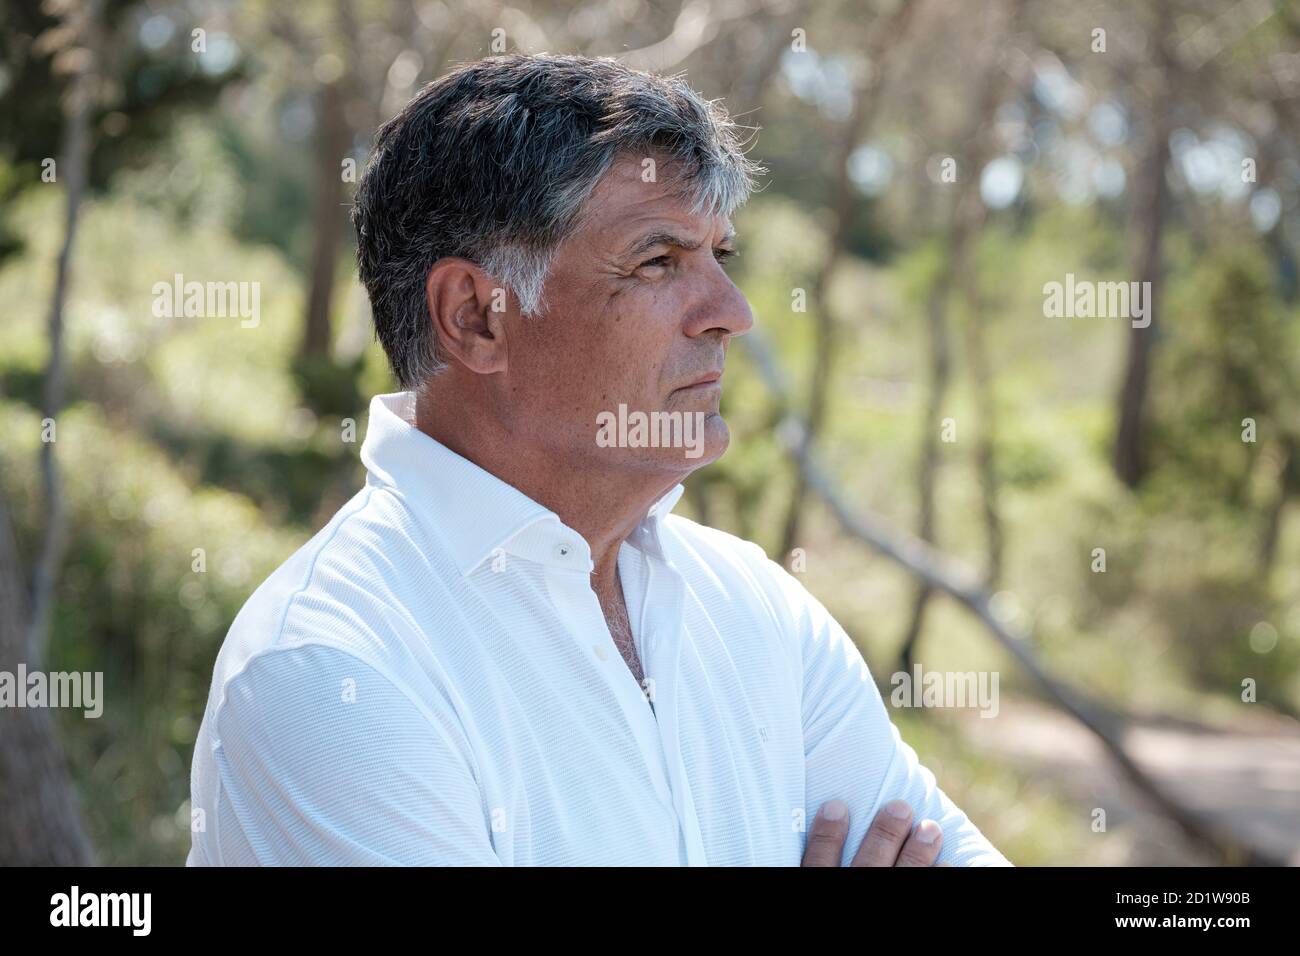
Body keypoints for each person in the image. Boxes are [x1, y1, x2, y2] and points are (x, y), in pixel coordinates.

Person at [187, 52, 1011, 866]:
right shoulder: (332, 671)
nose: (732, 312)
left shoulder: (759, 608)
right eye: (658, 261)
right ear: (476, 317)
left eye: (719, 257)